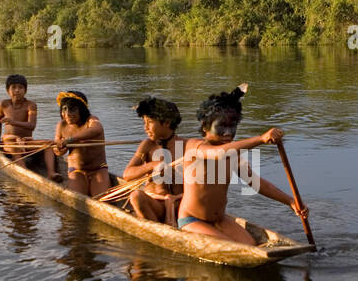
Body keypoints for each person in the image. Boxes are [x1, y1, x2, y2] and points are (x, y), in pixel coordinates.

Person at [177, 85, 307, 245]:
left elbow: (256, 183)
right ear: (205, 127)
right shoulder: (194, 146)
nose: (228, 132)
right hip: (192, 220)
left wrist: (291, 201)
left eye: (232, 126)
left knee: (251, 245)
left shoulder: (234, 154)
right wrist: (260, 139)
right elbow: (219, 153)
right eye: (221, 126)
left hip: (220, 219)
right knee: (232, 247)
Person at [123, 97, 185, 225]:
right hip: (154, 204)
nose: (146, 127)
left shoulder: (186, 146)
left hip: (180, 205)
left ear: (167, 122)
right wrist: (153, 165)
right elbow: (127, 174)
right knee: (136, 196)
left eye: (150, 122)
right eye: (144, 122)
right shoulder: (147, 145)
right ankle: (158, 229)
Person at [46, 90, 112, 196]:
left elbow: (97, 129)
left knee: (101, 199)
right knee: (78, 198)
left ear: (82, 110)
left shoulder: (91, 120)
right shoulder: (61, 125)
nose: (67, 114)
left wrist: (70, 139)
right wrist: (59, 149)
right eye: (64, 109)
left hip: (98, 169)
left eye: (72, 109)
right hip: (76, 170)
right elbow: (58, 151)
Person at [0, 74, 37, 162]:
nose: (17, 90)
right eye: (13, 87)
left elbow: (32, 126)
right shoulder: (4, 104)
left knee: (49, 146)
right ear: (7, 90)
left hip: (27, 141)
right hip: (9, 141)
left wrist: (13, 122)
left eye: (20, 87)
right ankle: (24, 170)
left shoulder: (30, 105)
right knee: (15, 149)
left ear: (25, 90)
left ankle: (51, 172)